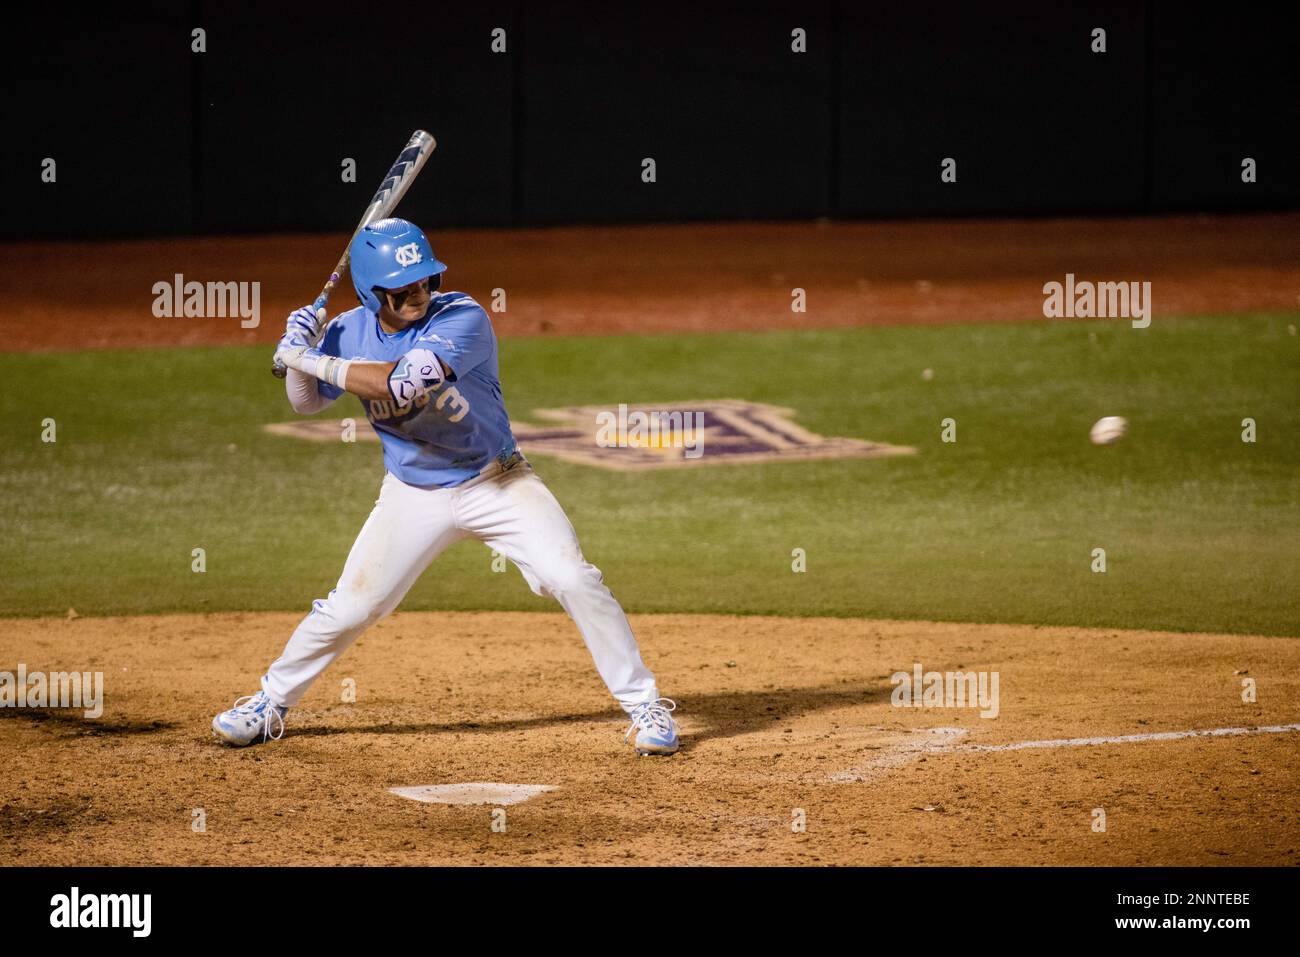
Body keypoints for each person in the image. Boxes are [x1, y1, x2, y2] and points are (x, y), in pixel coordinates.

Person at [211, 218, 679, 756]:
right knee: (352, 607)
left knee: (572, 577)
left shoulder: (463, 317)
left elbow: (402, 385)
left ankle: (645, 705)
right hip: (412, 494)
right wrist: (300, 351)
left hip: (498, 482)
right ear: (371, 292)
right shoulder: (346, 330)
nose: (418, 294)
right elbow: (308, 401)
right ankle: (269, 704)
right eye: (403, 288)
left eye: (425, 282)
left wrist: (310, 356)